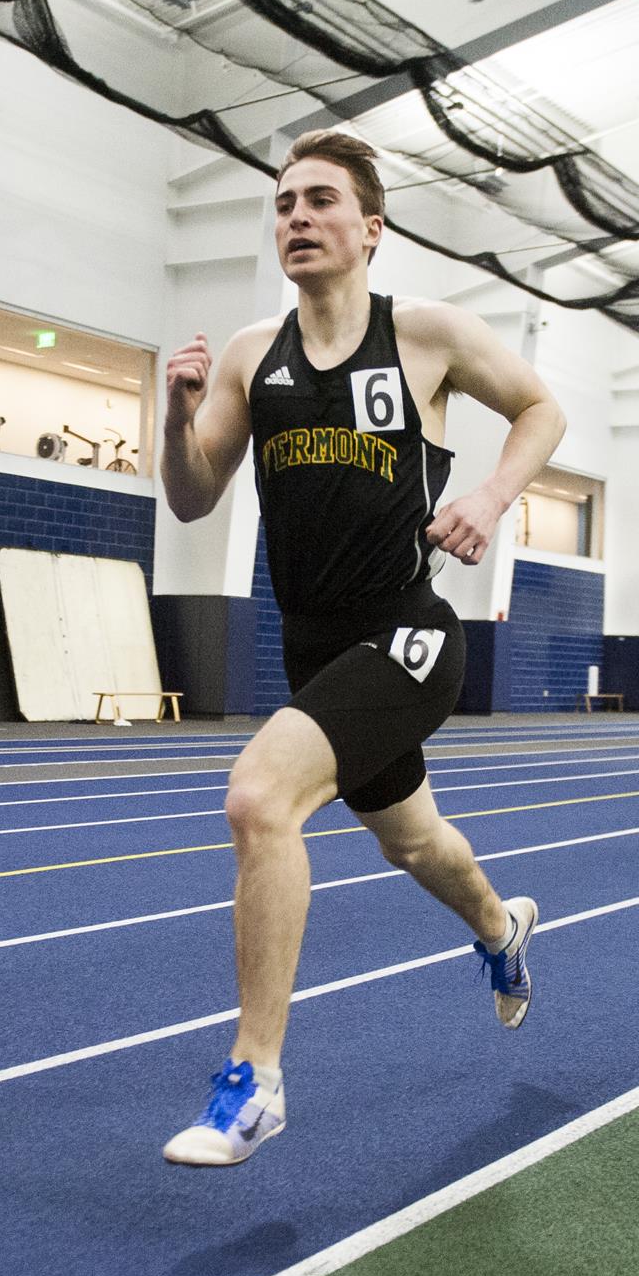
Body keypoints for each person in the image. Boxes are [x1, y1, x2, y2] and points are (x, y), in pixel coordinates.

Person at [155, 129, 567, 1166]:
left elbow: (540, 407)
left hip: (410, 634)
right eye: (284, 202)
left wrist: (486, 493)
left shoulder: (423, 335)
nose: (295, 216)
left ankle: (254, 1080)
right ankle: (500, 930)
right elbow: (195, 496)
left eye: (319, 200)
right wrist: (174, 418)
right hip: (315, 651)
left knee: (258, 798)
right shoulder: (254, 356)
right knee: (411, 840)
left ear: (370, 228)